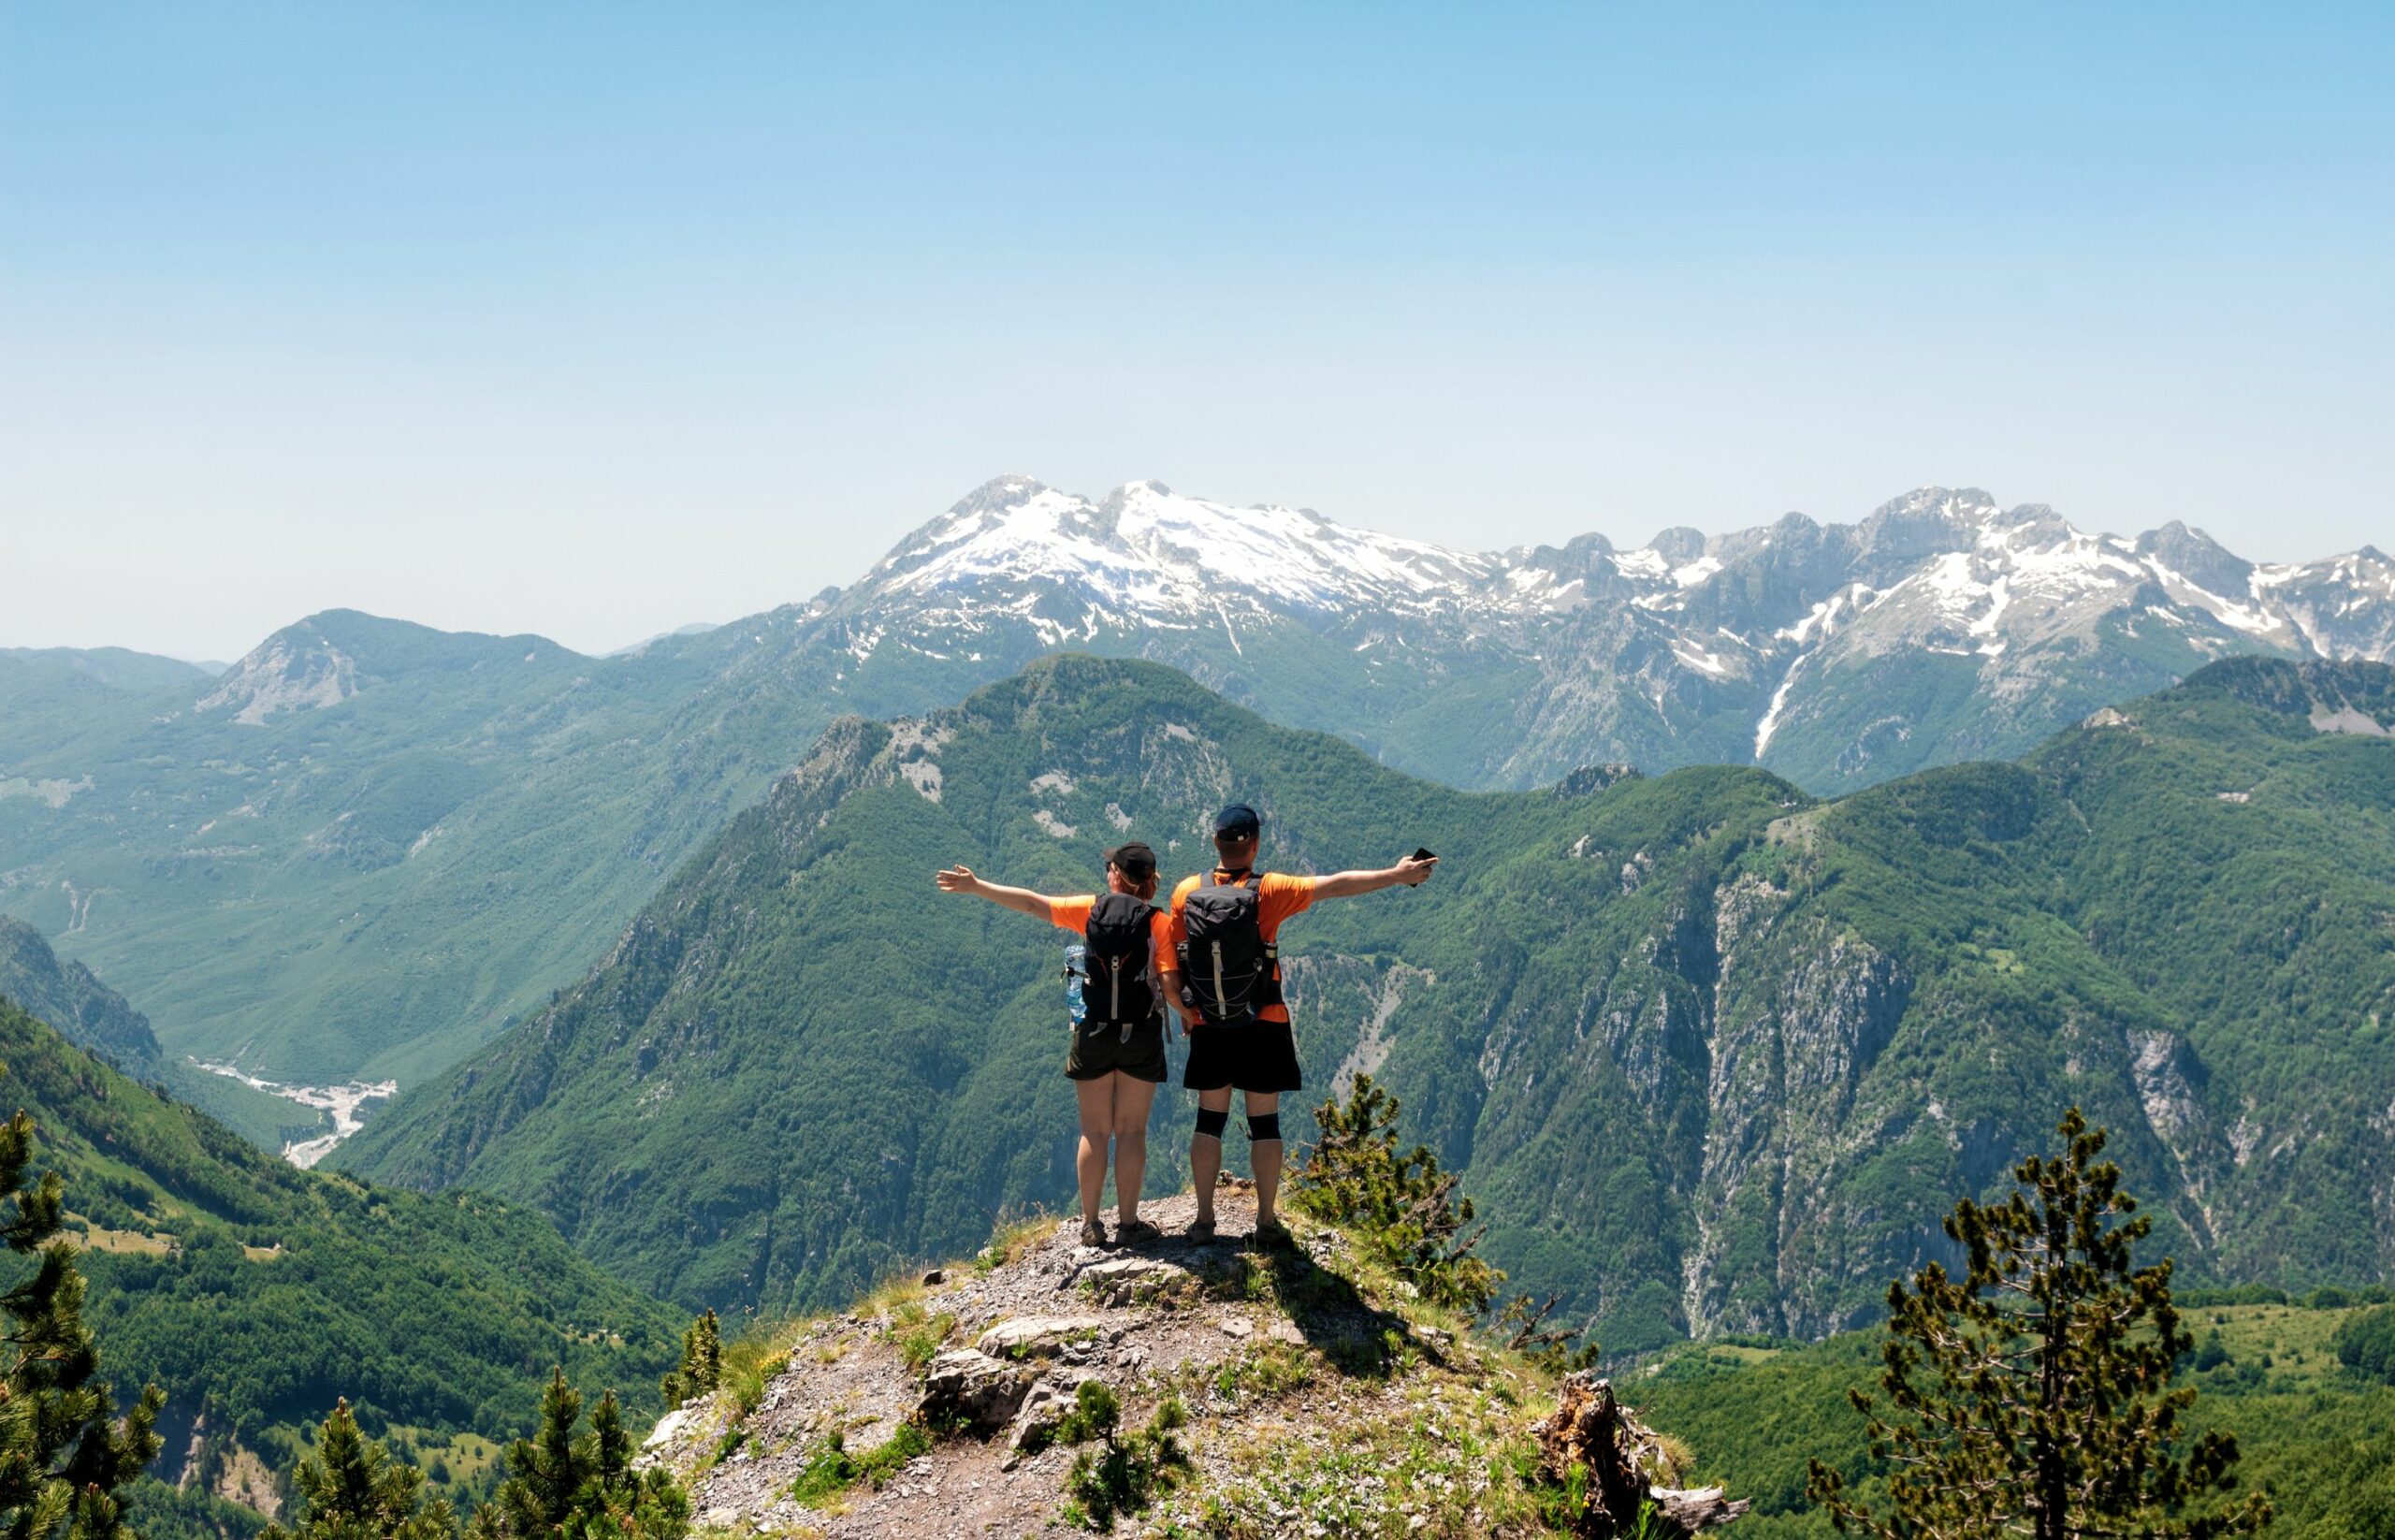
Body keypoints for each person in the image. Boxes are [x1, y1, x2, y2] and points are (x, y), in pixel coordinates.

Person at [1159, 804, 1436, 1246]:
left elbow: (1171, 972)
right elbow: (1336, 885)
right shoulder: (1270, 889)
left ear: (1216, 842)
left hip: (1210, 1024)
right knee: (1264, 1124)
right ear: (1254, 843)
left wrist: (1187, 1014)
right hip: (1263, 1019)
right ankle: (1266, 1223)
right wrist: (1396, 874)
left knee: (1208, 1121)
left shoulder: (1184, 893)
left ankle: (1205, 1221)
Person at [935, 843, 1179, 1249]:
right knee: (1132, 1131)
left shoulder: (1091, 909)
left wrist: (977, 886)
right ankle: (1129, 1223)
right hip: (1140, 1035)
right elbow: (1169, 987)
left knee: (1094, 1131)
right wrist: (1193, 1017)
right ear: (1150, 882)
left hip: (1093, 1034)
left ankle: (1091, 1224)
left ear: (1115, 875)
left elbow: (1033, 904)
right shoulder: (1160, 923)